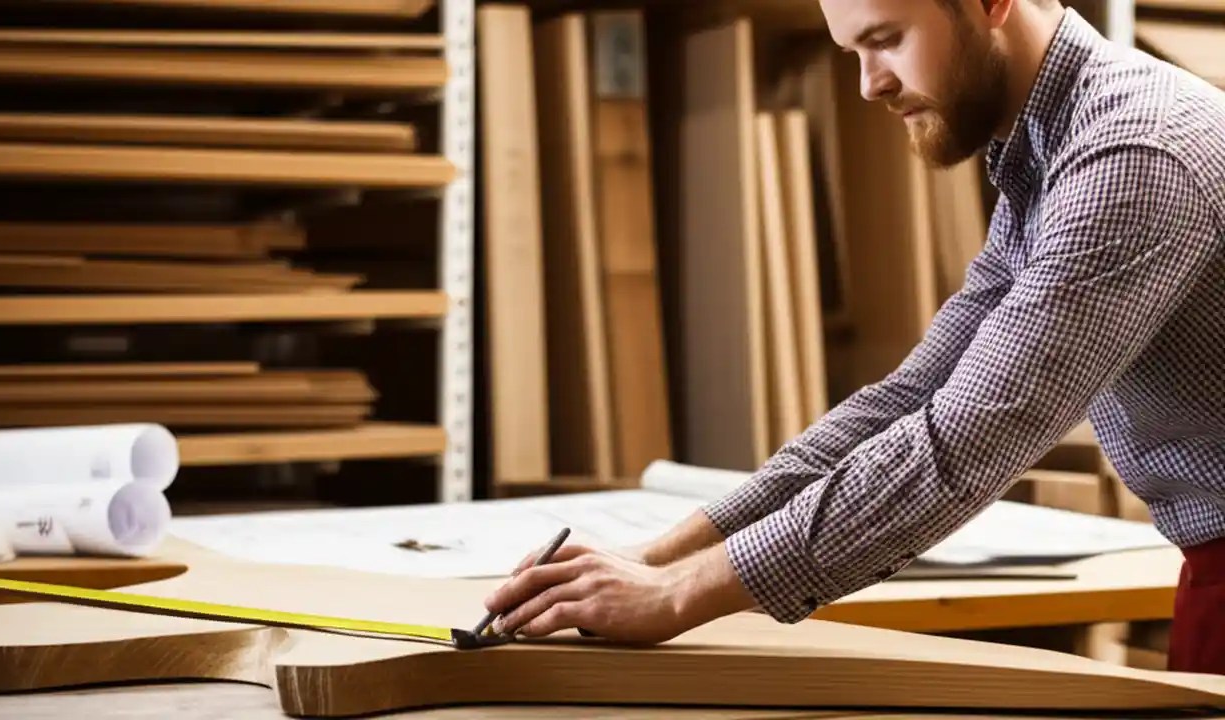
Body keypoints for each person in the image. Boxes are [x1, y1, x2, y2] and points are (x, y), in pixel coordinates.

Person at [484, 0, 1225, 674]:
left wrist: (678, 596)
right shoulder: (1050, 146)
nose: (870, 83)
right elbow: (912, 398)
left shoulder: (1136, 153)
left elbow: (964, 440)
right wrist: (653, 556)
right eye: (853, 52)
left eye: (887, 40)